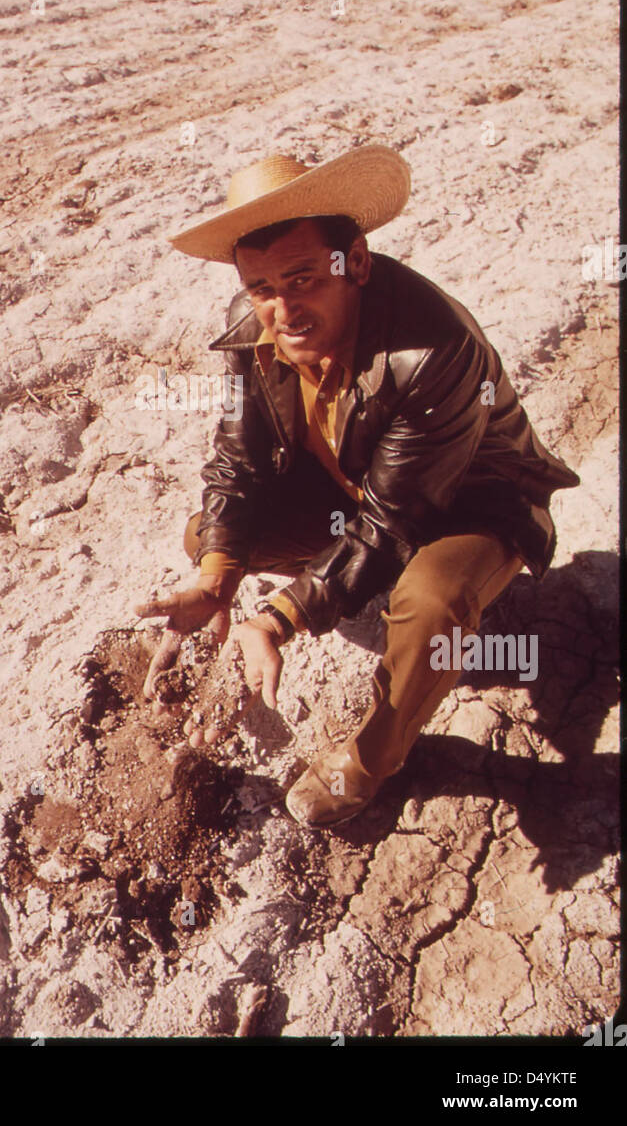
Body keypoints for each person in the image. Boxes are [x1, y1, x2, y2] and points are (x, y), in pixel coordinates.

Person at [135, 146, 580, 829]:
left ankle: (372, 762)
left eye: (303, 278)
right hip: (363, 490)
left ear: (357, 263)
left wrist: (277, 617)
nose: (282, 309)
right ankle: (354, 589)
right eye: (261, 288)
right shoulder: (258, 327)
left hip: (470, 504)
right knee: (208, 536)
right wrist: (217, 581)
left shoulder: (433, 349)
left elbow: (395, 521)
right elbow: (237, 465)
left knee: (430, 600)